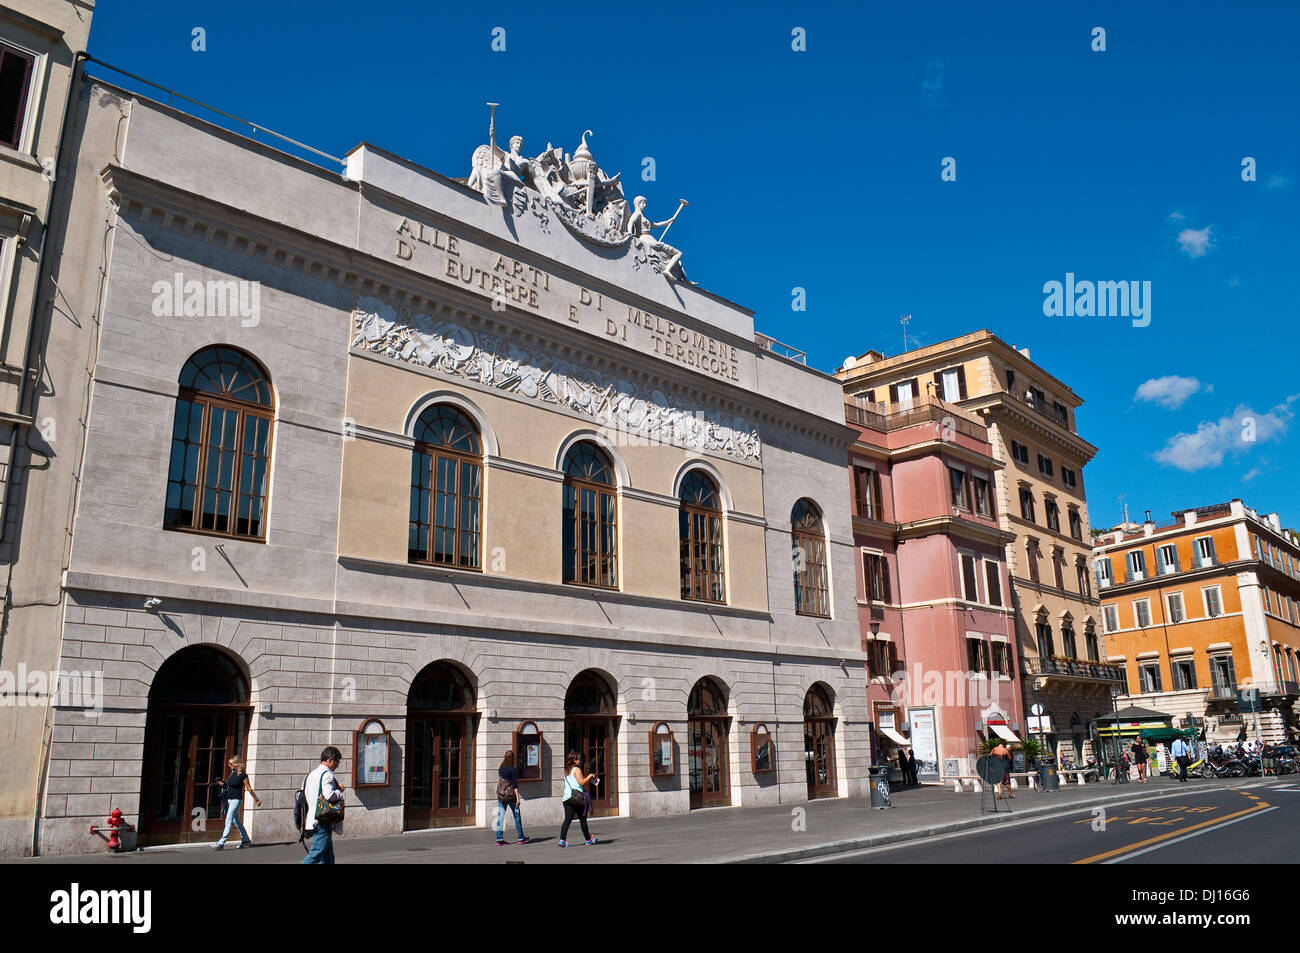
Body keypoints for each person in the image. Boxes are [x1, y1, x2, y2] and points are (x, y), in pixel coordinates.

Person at [302, 746, 345, 864]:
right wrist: (339, 790)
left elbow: (304, 795)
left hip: (312, 818)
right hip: (322, 820)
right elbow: (329, 795)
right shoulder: (327, 775)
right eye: (337, 762)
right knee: (315, 855)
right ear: (330, 760)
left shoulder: (310, 775)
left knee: (328, 857)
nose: (337, 765)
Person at [212, 755, 260, 849]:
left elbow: (249, 788)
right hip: (229, 799)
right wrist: (223, 783)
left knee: (228, 820)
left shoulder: (243, 775)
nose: (229, 765)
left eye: (231, 764)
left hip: (236, 800)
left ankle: (221, 843)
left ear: (236, 764)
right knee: (235, 821)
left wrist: (256, 799)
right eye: (229, 764)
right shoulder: (233, 772)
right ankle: (246, 839)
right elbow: (230, 786)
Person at [558, 750, 598, 847]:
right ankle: (588, 839)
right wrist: (590, 776)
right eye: (578, 759)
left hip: (567, 798)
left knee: (567, 819)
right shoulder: (577, 769)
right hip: (577, 797)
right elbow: (581, 782)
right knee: (583, 819)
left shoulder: (566, 770)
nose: (580, 761)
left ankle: (562, 840)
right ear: (574, 760)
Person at [495, 750, 529, 846]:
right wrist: (518, 798)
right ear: (513, 758)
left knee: (500, 816)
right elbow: (515, 785)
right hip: (511, 797)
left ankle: (499, 839)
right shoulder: (513, 769)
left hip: (501, 796)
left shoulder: (501, 768)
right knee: (517, 816)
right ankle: (521, 838)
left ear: (505, 757)